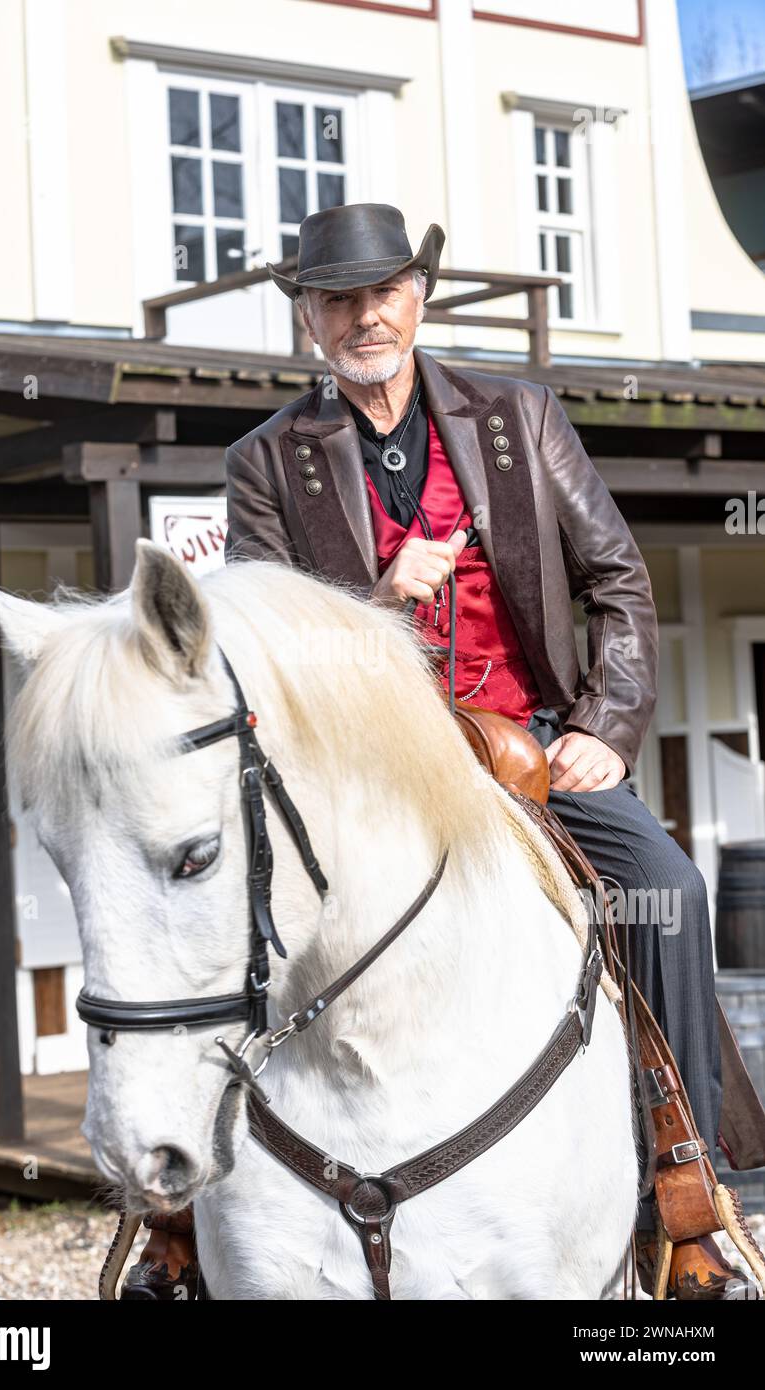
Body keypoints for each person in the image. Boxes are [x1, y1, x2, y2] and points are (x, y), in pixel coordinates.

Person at [219, 202, 744, 1299]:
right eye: (338, 300)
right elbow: (257, 640)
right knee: (214, 915)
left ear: (418, 296)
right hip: (362, 767)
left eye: (383, 292)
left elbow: (617, 583)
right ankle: (179, 1219)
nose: (365, 316)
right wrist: (371, 600)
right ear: (308, 320)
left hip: (526, 748)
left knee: (668, 888)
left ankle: (685, 1198)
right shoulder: (265, 463)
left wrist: (603, 730)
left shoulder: (520, 415)